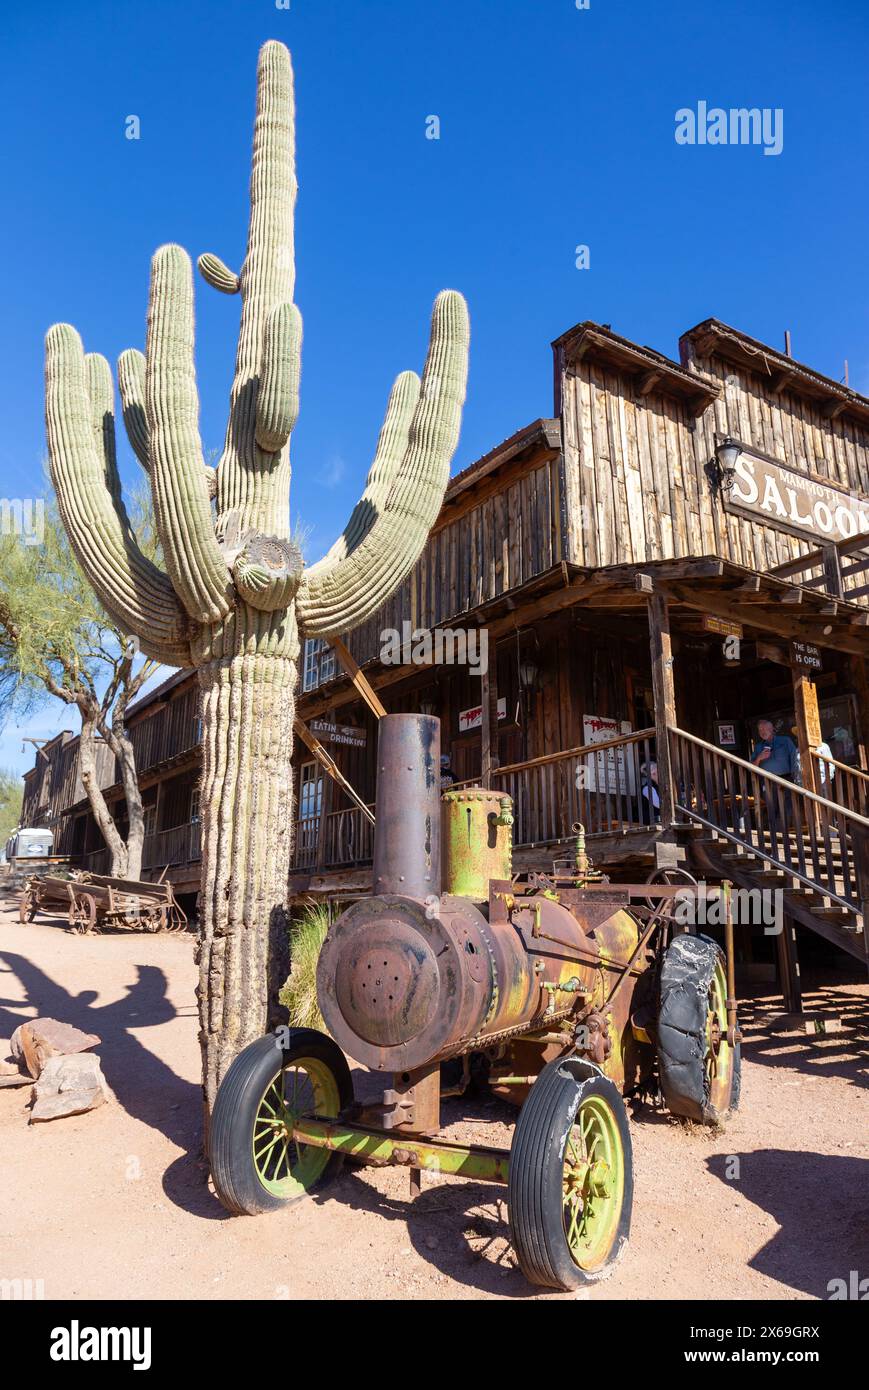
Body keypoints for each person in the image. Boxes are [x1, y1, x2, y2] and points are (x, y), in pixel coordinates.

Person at [751, 718, 799, 839]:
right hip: (767, 782)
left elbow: (794, 758)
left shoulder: (785, 741)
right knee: (772, 809)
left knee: (787, 809)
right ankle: (777, 837)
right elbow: (751, 767)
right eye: (760, 730)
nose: (762, 731)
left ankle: (781, 836)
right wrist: (759, 758)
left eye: (765, 728)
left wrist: (795, 778)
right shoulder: (758, 747)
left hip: (786, 779)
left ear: (772, 729)